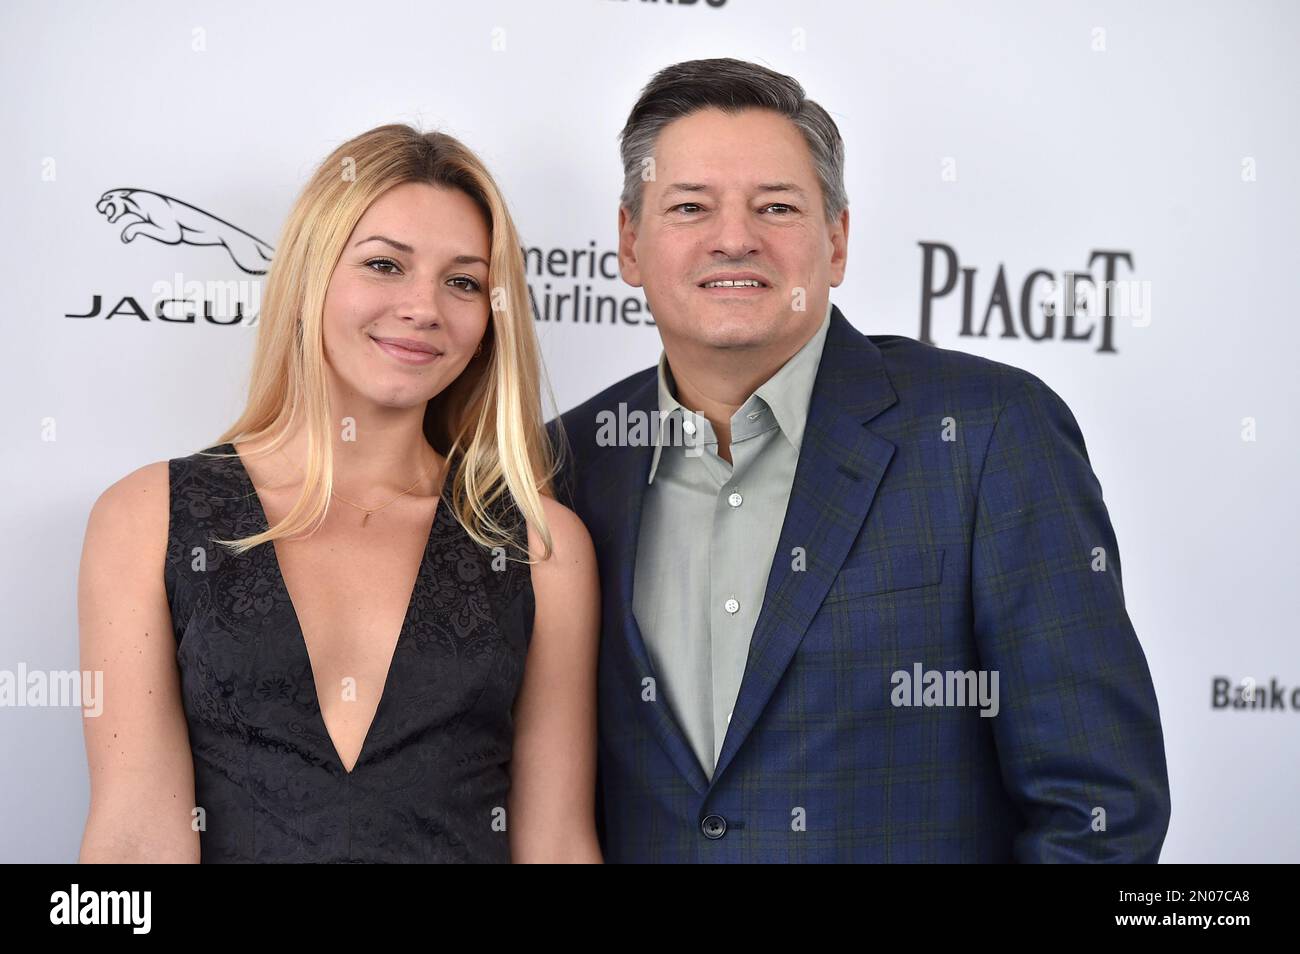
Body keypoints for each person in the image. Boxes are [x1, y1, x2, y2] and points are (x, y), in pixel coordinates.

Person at [549, 58, 1170, 862]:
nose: (733, 238)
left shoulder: (988, 435)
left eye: (776, 206)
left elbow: (1098, 814)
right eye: (690, 206)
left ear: (836, 242)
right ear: (630, 243)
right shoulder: (563, 463)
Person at [78, 124, 602, 863]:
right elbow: (134, 841)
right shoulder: (145, 518)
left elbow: (554, 843)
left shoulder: (541, 545)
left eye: (463, 281)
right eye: (385, 265)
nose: (424, 307)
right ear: (307, 276)